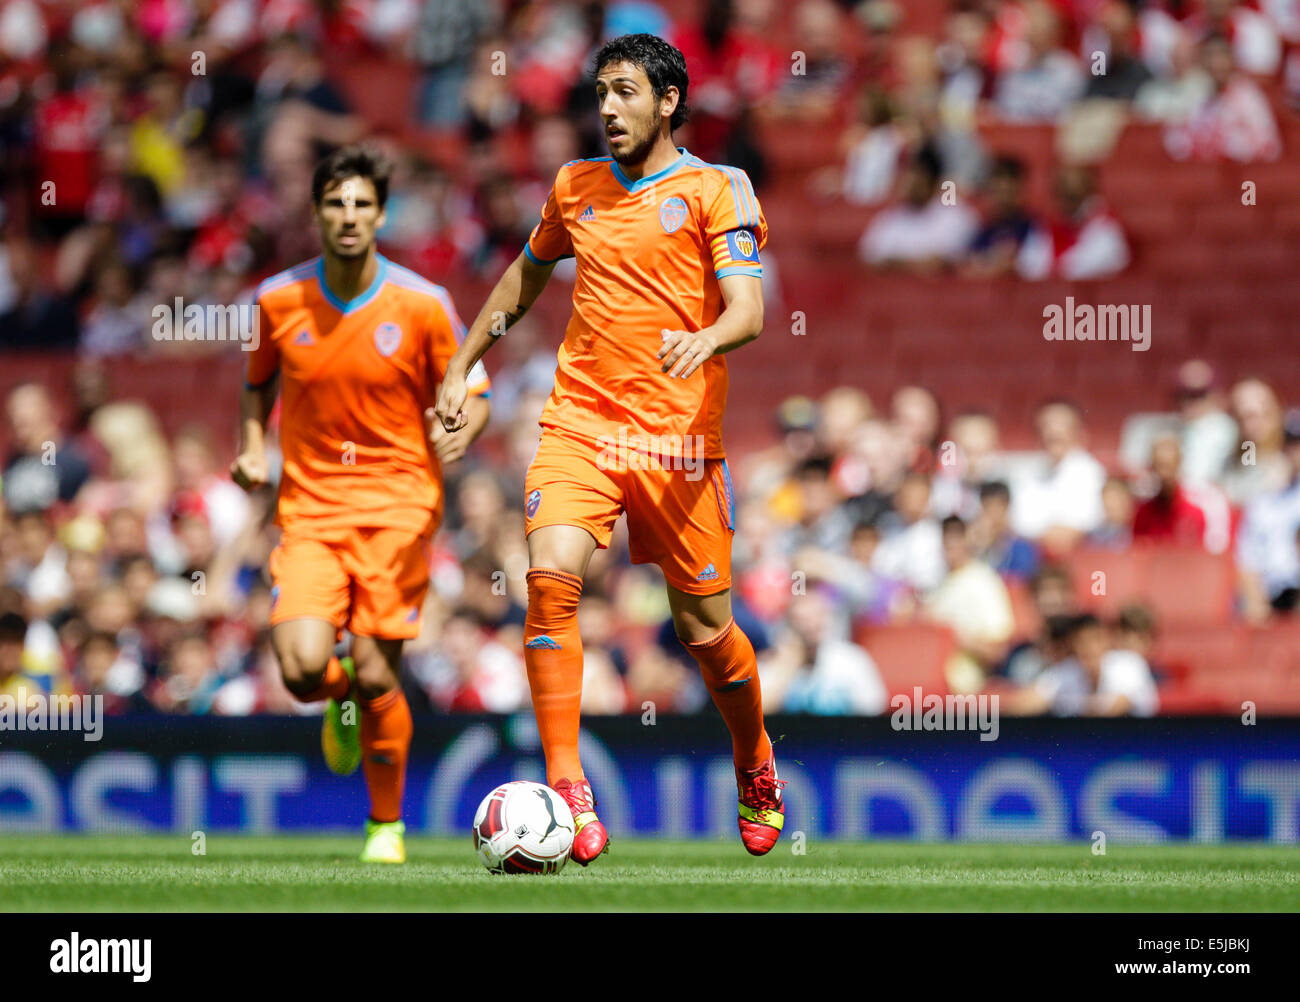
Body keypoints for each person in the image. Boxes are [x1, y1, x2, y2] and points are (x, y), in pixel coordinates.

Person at [435, 34, 782, 862]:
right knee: (549, 578)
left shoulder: (715, 188)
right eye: (599, 93)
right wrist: (460, 362)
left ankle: (755, 761)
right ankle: (567, 785)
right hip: (579, 424)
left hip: (678, 444)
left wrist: (708, 338)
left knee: (706, 631)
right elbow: (526, 274)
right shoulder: (573, 187)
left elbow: (749, 309)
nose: (608, 108)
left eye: (625, 92)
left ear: (668, 101)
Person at [230, 146, 492, 863]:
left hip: (398, 506)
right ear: (316, 213)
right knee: (302, 670)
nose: (349, 217)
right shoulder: (278, 301)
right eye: (335, 204)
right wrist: (254, 445)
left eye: (361, 205)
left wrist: (462, 431)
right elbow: (258, 384)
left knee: (381, 671)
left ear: (380, 215)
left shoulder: (423, 304)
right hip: (311, 509)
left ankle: (385, 827)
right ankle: (341, 699)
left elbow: (474, 392)